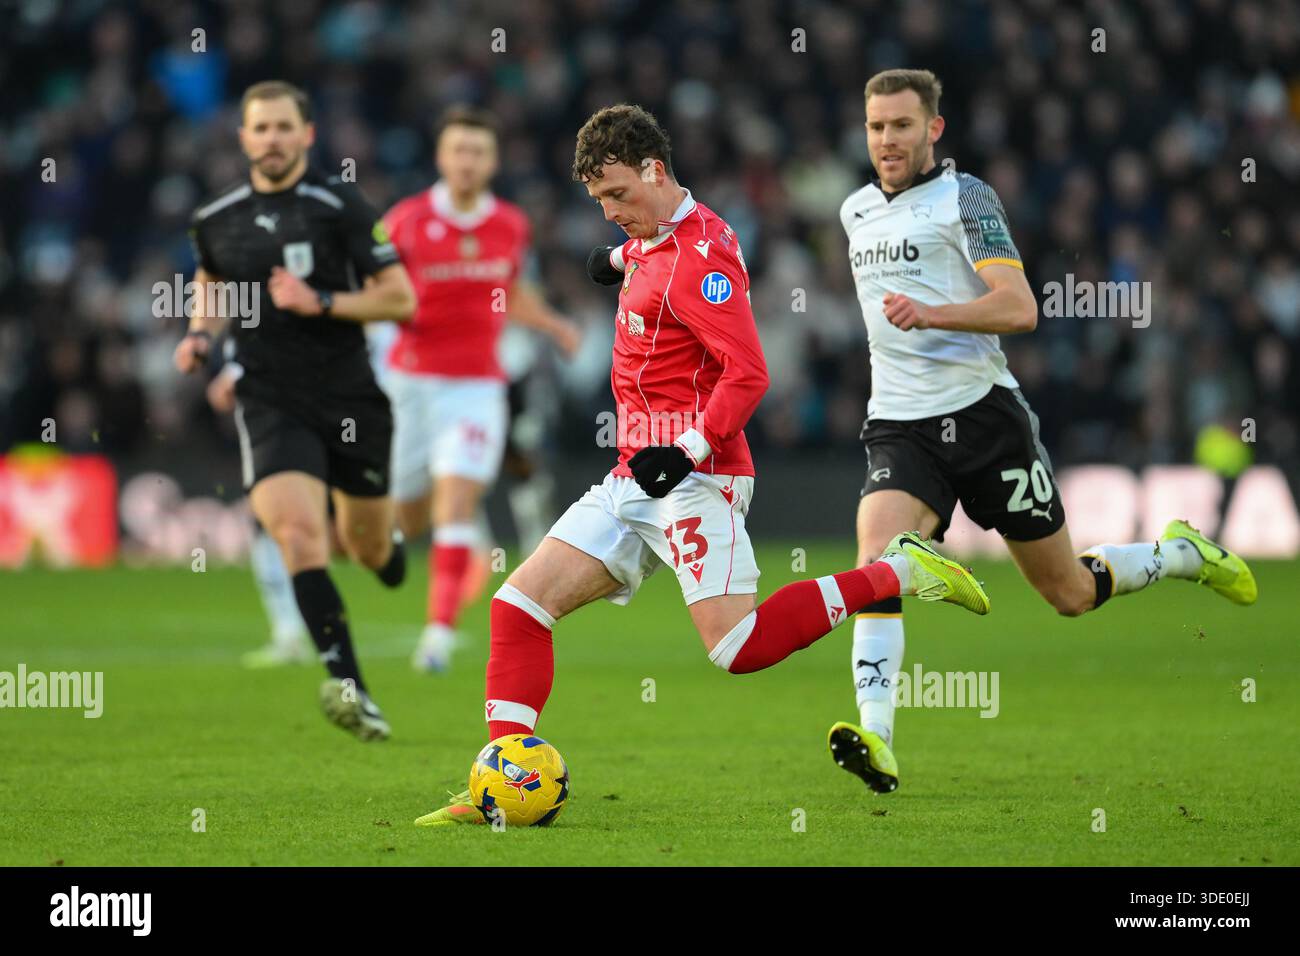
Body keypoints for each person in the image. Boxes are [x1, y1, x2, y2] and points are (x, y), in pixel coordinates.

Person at [415, 104, 990, 826]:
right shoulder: (658, 235)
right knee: (518, 607)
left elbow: (747, 374)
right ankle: (504, 783)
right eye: (598, 201)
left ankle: (901, 572)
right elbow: (655, 248)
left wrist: (684, 451)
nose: (610, 212)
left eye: (618, 195)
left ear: (656, 171)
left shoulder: (704, 260)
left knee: (736, 648)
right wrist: (616, 259)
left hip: (694, 477)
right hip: (635, 474)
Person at [830, 69, 1258, 794]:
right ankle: (877, 734)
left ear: (934, 129)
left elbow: (1020, 307)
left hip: (985, 418)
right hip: (900, 424)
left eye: (901, 125)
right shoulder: (854, 211)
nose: (887, 140)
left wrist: (934, 313)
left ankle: (1180, 553)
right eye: (876, 127)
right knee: (876, 556)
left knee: (1068, 594)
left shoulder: (966, 199)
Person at [174, 80, 417, 741]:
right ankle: (353, 689)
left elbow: (400, 299)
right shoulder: (215, 218)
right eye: (261, 128)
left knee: (365, 548)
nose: (273, 139)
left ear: (307, 136)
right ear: (244, 137)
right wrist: (202, 334)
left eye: (285, 128)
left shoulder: (339, 204)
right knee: (300, 537)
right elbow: (211, 278)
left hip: (349, 396)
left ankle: (385, 548)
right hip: (269, 397)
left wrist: (324, 303)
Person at [381, 106, 581, 672]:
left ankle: (437, 637)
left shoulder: (510, 225)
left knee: (458, 501)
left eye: (478, 151)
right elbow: (377, 292)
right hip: (410, 384)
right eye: (458, 150)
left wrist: (554, 324)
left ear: (492, 161)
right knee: (408, 519)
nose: (467, 161)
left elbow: (511, 292)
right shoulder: (405, 221)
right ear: (442, 157)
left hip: (476, 389)